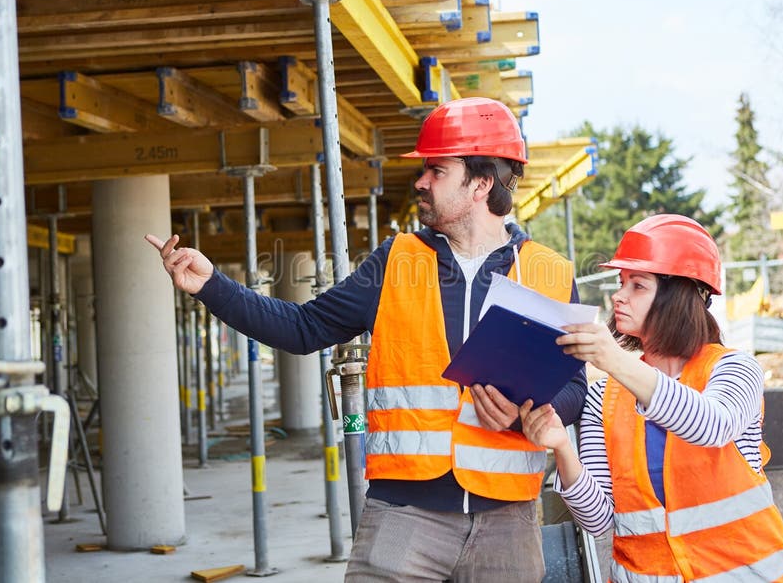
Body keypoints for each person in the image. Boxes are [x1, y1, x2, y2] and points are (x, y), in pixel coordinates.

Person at [146, 97, 587, 582]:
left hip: (509, 521)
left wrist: (529, 414)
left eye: (436, 171)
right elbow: (303, 328)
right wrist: (212, 285)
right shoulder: (395, 260)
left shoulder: (548, 271)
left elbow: (574, 389)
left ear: (481, 183)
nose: (420, 181)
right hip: (404, 514)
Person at [520, 214, 783, 582]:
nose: (618, 296)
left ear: (679, 297)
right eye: (621, 283)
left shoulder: (734, 369)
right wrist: (563, 448)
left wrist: (617, 361)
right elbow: (599, 519)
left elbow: (712, 425)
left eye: (638, 285)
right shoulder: (603, 395)